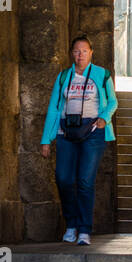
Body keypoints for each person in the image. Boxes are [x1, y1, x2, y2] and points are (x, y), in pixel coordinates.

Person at [39, 34, 118, 245]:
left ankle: (84, 230)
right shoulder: (64, 77)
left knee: (85, 181)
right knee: (63, 179)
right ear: (71, 54)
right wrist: (46, 139)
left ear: (91, 53)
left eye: (84, 51)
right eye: (76, 51)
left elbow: (113, 101)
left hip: (92, 132)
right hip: (66, 132)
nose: (80, 55)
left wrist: (103, 118)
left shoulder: (102, 74)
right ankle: (71, 225)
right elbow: (54, 108)